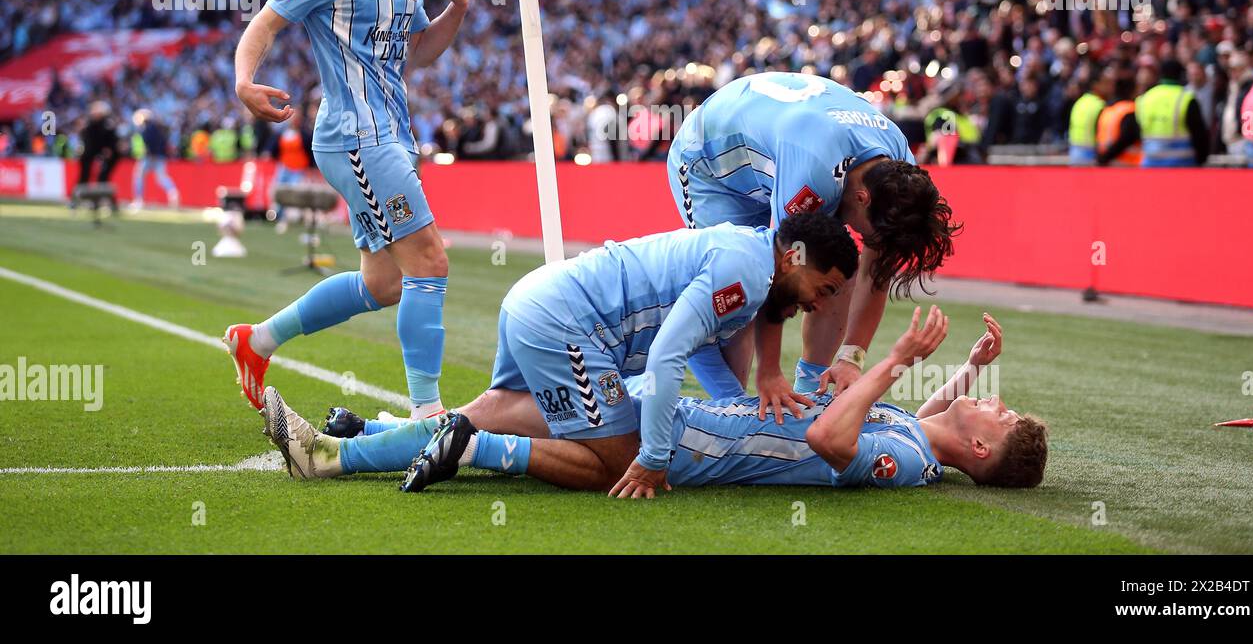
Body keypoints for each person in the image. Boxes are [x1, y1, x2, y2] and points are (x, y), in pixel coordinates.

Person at [262, 212, 859, 495]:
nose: (817, 305)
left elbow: (699, 345)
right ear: (796, 257)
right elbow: (666, 360)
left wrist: (765, 382)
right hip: (568, 326)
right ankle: (476, 450)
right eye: (824, 290)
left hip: (539, 301)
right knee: (613, 461)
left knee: (494, 407)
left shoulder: (747, 256)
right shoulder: (748, 274)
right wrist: (651, 456)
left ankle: (335, 453)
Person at [261, 308, 1047, 494]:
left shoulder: (906, 465)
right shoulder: (921, 432)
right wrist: (967, 371)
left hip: (704, 444)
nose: (994, 405)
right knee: (510, 400)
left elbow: (834, 442)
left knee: (505, 417)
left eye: (998, 418)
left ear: (979, 452)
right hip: (699, 415)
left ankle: (337, 455)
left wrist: (895, 361)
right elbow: (928, 416)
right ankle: (373, 434)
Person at [225, 0, 470, 420]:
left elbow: (416, 54)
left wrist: (456, 10)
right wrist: (244, 81)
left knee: (384, 283)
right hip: (356, 137)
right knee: (429, 261)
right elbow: (266, 21)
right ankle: (428, 415)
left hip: (393, 137)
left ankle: (256, 342)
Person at [665, 71, 959, 421]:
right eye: (877, 236)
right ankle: (730, 411)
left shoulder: (898, 168)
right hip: (710, 165)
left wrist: (851, 358)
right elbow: (777, 275)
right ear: (862, 198)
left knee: (837, 271)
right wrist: (769, 371)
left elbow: (875, 271)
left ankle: (811, 394)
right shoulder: (812, 176)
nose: (876, 246)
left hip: (781, 148)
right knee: (738, 286)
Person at [1132, 59, 1209, 167]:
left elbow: (1136, 132)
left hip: (1150, 164)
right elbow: (1199, 135)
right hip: (1182, 166)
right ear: (1181, 75)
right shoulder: (1186, 99)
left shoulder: (1144, 99)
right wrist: (1201, 159)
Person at [128, 109, 179, 211]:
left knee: (139, 177)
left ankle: (138, 200)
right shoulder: (158, 128)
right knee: (161, 178)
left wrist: (150, 153)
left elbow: (149, 143)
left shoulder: (147, 129)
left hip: (150, 157)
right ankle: (173, 192)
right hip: (159, 156)